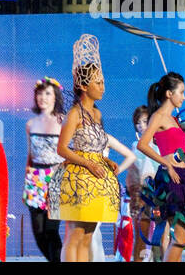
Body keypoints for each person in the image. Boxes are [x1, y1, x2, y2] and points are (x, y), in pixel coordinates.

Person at [51, 35, 125, 262]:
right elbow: (62, 148)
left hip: (96, 177)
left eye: (102, 81)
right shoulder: (75, 113)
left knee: (88, 235)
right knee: (76, 234)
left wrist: (106, 161)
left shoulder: (98, 113)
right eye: (98, 82)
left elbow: (98, 143)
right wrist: (88, 163)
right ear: (83, 85)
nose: (103, 87)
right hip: (80, 179)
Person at [138, 72, 185, 263]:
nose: (184, 97)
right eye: (181, 92)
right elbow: (142, 144)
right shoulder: (158, 116)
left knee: (181, 237)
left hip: (184, 177)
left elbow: (181, 146)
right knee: (179, 236)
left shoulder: (174, 119)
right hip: (171, 179)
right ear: (169, 93)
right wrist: (166, 162)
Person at [23, 76, 66, 261]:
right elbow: (30, 154)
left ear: (55, 96)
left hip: (56, 178)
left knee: (51, 230)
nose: (43, 97)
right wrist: (27, 179)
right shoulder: (30, 124)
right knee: (39, 232)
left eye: (48, 93)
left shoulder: (63, 122)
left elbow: (68, 152)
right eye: (40, 93)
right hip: (35, 179)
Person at [126, 106, 158, 261]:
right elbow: (133, 173)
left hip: (159, 193)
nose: (141, 126)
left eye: (145, 122)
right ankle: (139, 258)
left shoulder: (158, 147)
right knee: (141, 228)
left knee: (159, 230)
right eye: (138, 123)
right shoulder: (135, 146)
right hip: (142, 193)